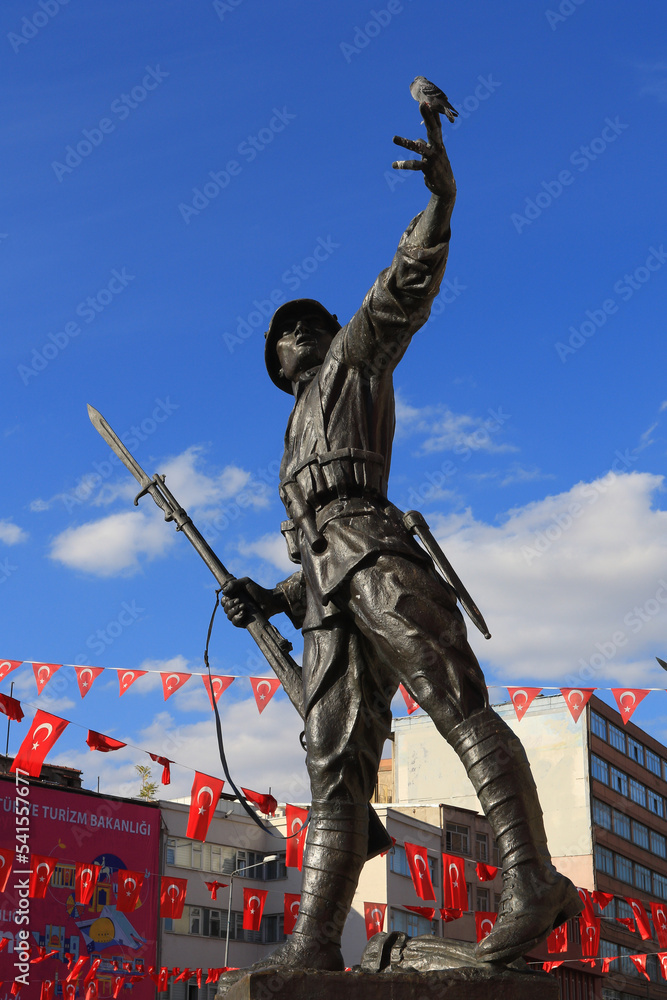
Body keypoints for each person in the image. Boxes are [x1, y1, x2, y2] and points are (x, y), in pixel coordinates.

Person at [222, 98, 581, 970]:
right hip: (323, 601)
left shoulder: (353, 363)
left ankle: (533, 880)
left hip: (377, 553)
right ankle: (312, 945)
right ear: (274, 364)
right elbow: (301, 555)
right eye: (283, 334)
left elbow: (401, 288)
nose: (298, 333)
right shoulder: (285, 444)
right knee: (332, 769)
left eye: (307, 323)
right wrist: (262, 595)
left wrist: (440, 202)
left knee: (455, 704)